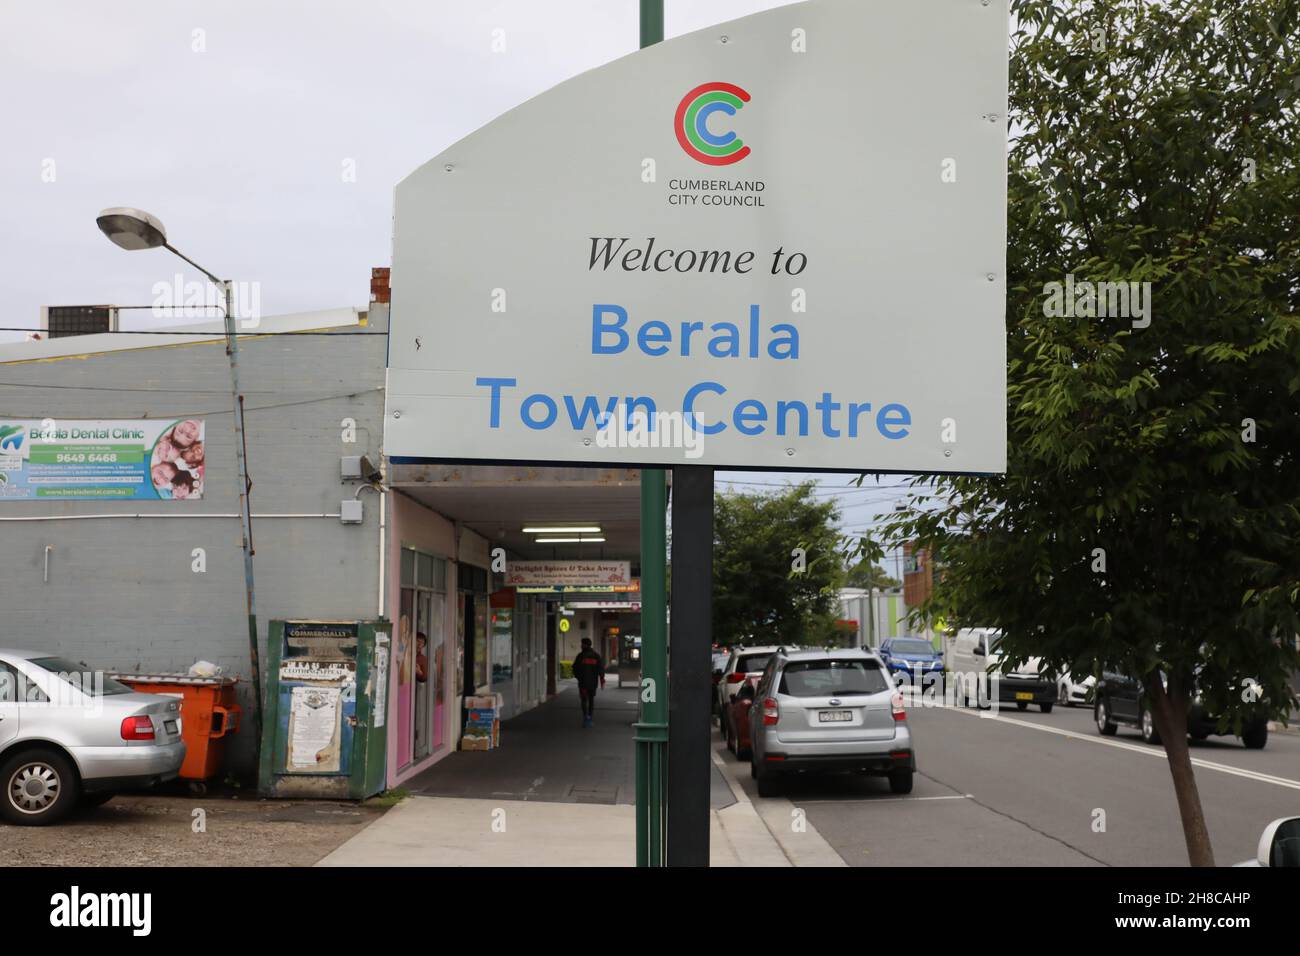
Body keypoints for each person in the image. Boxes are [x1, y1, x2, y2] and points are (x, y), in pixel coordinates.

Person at [571, 637, 605, 727]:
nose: (581, 645)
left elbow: (574, 668)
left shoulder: (580, 656)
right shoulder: (596, 656)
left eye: (582, 644)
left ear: (585, 645)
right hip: (593, 683)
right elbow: (601, 668)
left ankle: (585, 716)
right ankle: (590, 717)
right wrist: (601, 679)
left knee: (584, 699)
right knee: (591, 699)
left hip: (583, 683)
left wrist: (579, 678)